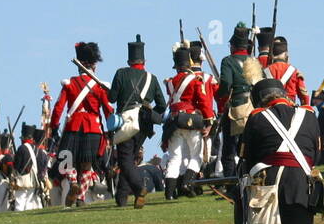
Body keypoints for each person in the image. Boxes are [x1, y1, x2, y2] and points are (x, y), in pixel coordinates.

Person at [238, 77, 324, 224]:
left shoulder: (257, 116)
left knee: (241, 202)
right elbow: (317, 153)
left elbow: (246, 156)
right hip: (302, 180)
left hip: (267, 181)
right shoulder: (309, 114)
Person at [109, 34, 168, 210]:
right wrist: (150, 115)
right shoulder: (152, 78)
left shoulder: (121, 73)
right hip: (143, 123)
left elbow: (111, 98)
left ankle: (139, 188)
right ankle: (121, 199)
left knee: (125, 161)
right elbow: (162, 105)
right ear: (144, 60)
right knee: (130, 160)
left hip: (127, 121)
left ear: (129, 60)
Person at [50, 42, 112, 206]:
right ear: (93, 65)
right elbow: (108, 110)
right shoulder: (99, 86)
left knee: (66, 161)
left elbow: (58, 108)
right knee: (87, 165)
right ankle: (81, 197)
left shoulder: (69, 84)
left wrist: (54, 126)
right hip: (93, 128)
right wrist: (112, 129)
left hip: (73, 126)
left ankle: (73, 182)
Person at [164, 44, 215, 199]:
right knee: (197, 156)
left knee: (175, 157)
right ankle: (187, 183)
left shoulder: (170, 82)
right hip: (191, 120)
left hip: (174, 122)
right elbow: (203, 102)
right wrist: (209, 121)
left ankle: (170, 192)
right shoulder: (195, 80)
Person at [216, 22, 263, 179]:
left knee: (229, 151)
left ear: (233, 45)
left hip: (236, 109)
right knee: (249, 148)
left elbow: (226, 85)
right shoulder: (254, 61)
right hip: (254, 109)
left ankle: (231, 185)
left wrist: (220, 95)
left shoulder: (228, 61)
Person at [10, 124, 47, 212]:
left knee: (20, 202)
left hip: (22, 180)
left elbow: (17, 166)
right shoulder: (38, 150)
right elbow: (41, 166)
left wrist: (14, 178)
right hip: (34, 180)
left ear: (23, 137)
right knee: (29, 204)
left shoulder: (21, 148)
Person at [266, 36, 307, 105]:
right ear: (286, 54)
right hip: (290, 108)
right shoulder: (295, 72)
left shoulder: (265, 71)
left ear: (272, 54)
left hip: (270, 109)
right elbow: (304, 97)